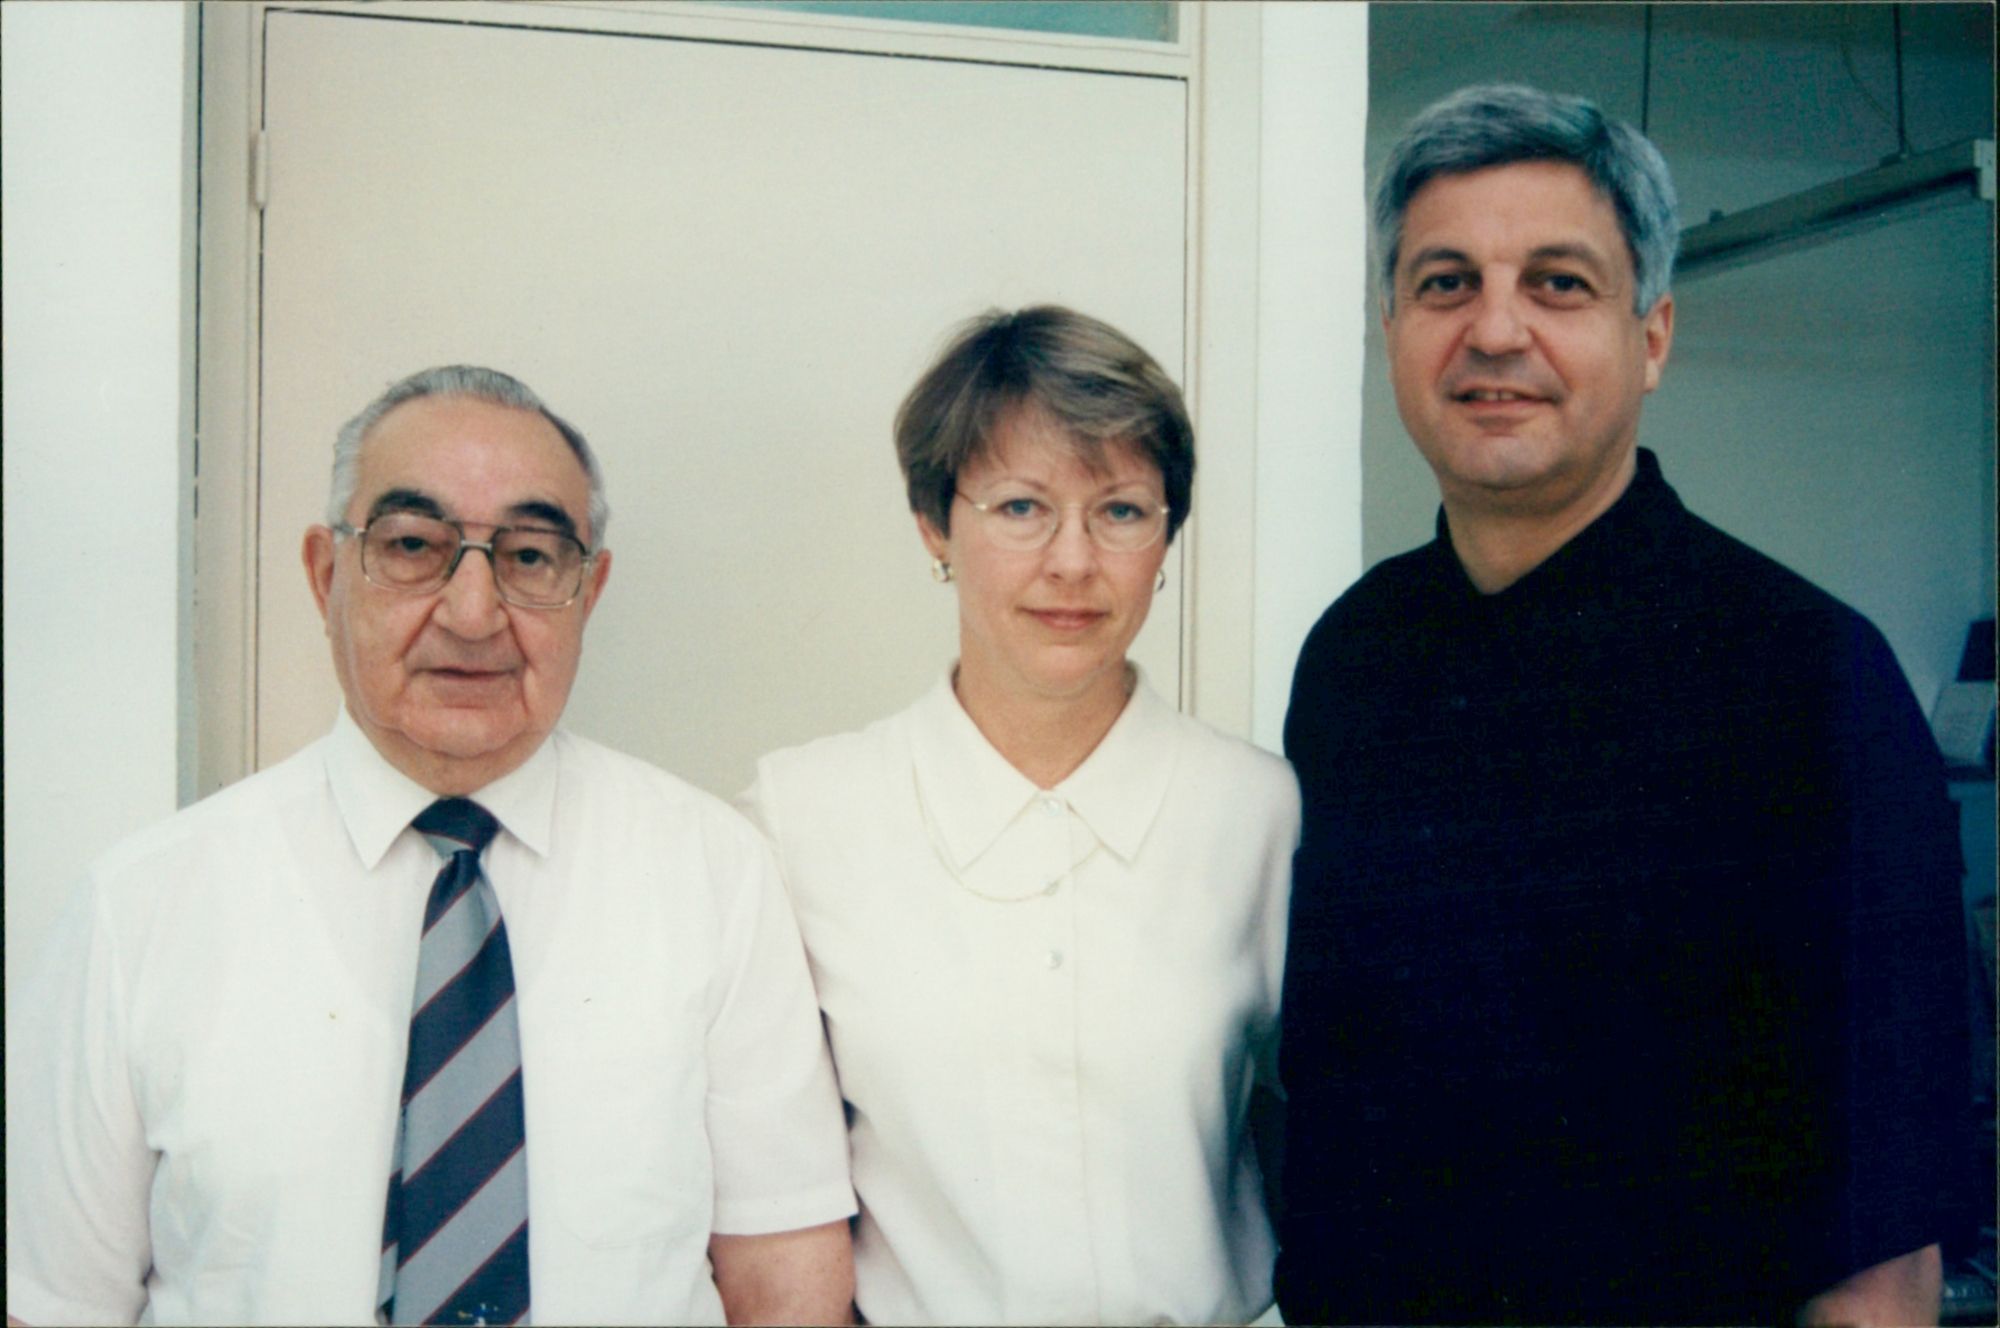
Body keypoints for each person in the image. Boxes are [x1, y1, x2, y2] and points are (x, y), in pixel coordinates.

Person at [1276, 83, 1970, 1326]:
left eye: (1556, 283)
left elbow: (1881, 1253)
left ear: (1650, 336)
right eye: (1443, 283)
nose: (1493, 332)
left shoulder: (1809, 680)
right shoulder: (1353, 660)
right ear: (1388, 325)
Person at [6, 366, 856, 1325]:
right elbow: (53, 1302)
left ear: (591, 589)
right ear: (327, 575)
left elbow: (784, 1275)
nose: (472, 612)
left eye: (531, 557)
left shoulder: (713, 873)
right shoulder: (139, 910)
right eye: (413, 545)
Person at [739, 306, 1298, 1325]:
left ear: (1166, 532)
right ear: (931, 524)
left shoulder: (1261, 812)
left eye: (1120, 510)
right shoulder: (800, 817)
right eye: (1018, 506)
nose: (1072, 562)